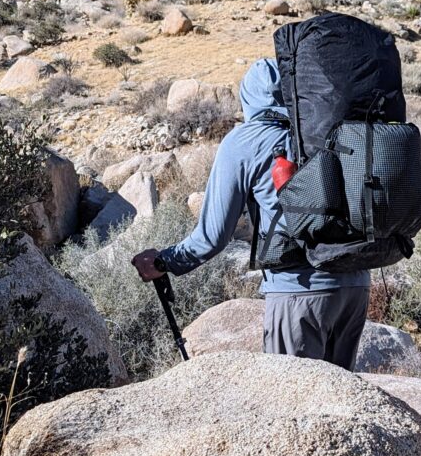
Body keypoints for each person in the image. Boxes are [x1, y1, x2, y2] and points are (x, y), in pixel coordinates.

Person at [133, 58, 370, 370]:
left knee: (291, 405)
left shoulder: (245, 141)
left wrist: (165, 261)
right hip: (355, 287)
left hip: (298, 290)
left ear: (249, 96)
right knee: (338, 402)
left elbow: (212, 237)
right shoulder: (326, 130)